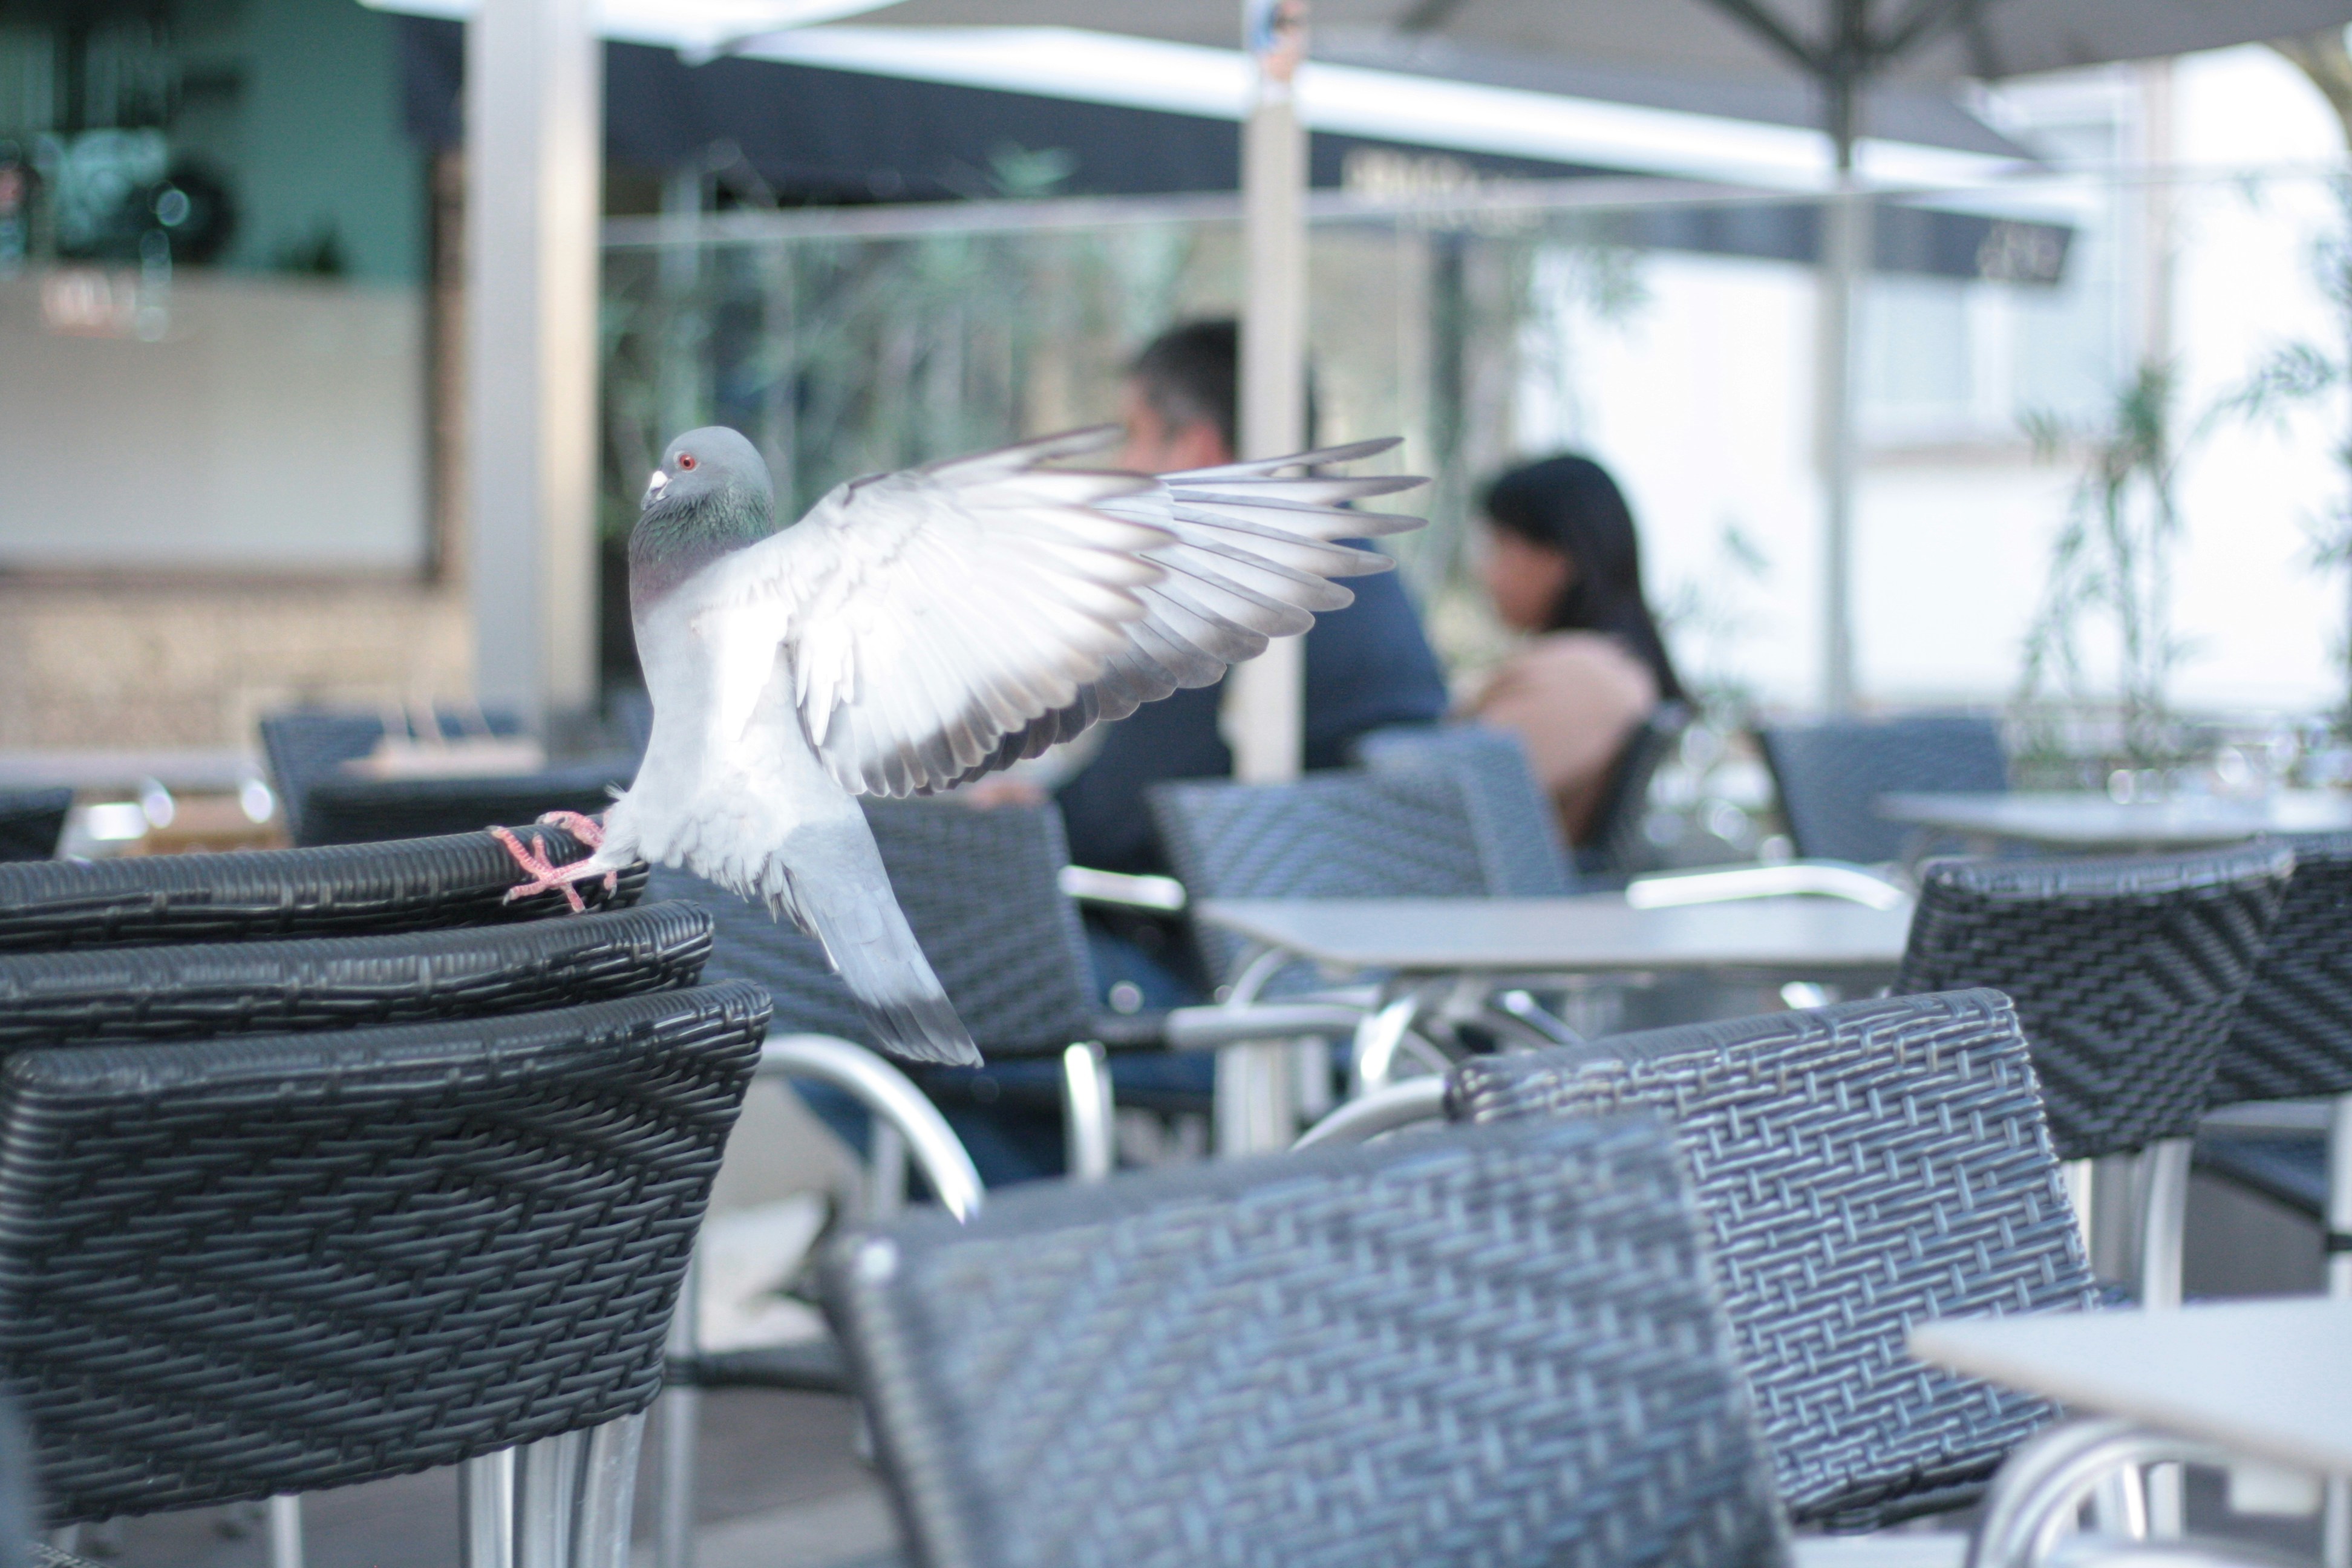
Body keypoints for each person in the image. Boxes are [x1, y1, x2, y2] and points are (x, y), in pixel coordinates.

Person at [1468, 454, 1684, 848]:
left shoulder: (1581, 677)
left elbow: (1444, 799)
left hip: (1502, 904)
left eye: (1501, 546)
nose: (1485, 570)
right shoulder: (1611, 664)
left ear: (1559, 558)